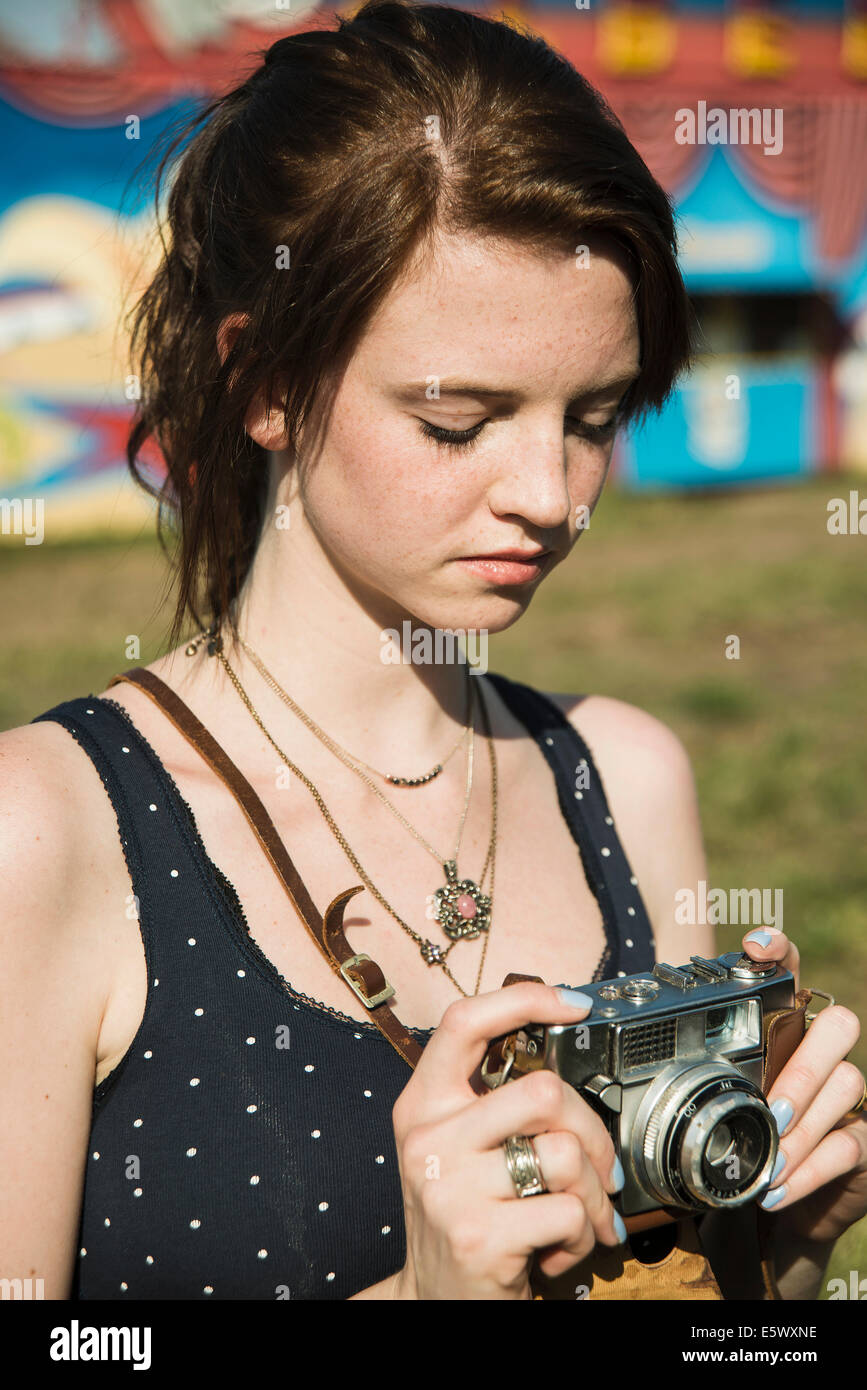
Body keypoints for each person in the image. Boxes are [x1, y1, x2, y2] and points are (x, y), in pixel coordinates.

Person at [2, 0, 864, 1302]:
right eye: (459, 417)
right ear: (267, 382)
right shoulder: (47, 829)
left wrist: (780, 1253)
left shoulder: (628, 779)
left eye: (594, 414)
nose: (551, 491)